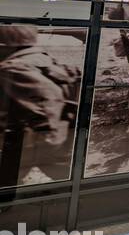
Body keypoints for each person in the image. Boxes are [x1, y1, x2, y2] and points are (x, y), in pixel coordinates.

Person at [0, 25, 79, 187]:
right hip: (59, 137)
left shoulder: (13, 68)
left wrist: (48, 142)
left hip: (32, 143)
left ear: (5, 45)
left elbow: (49, 99)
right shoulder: (44, 60)